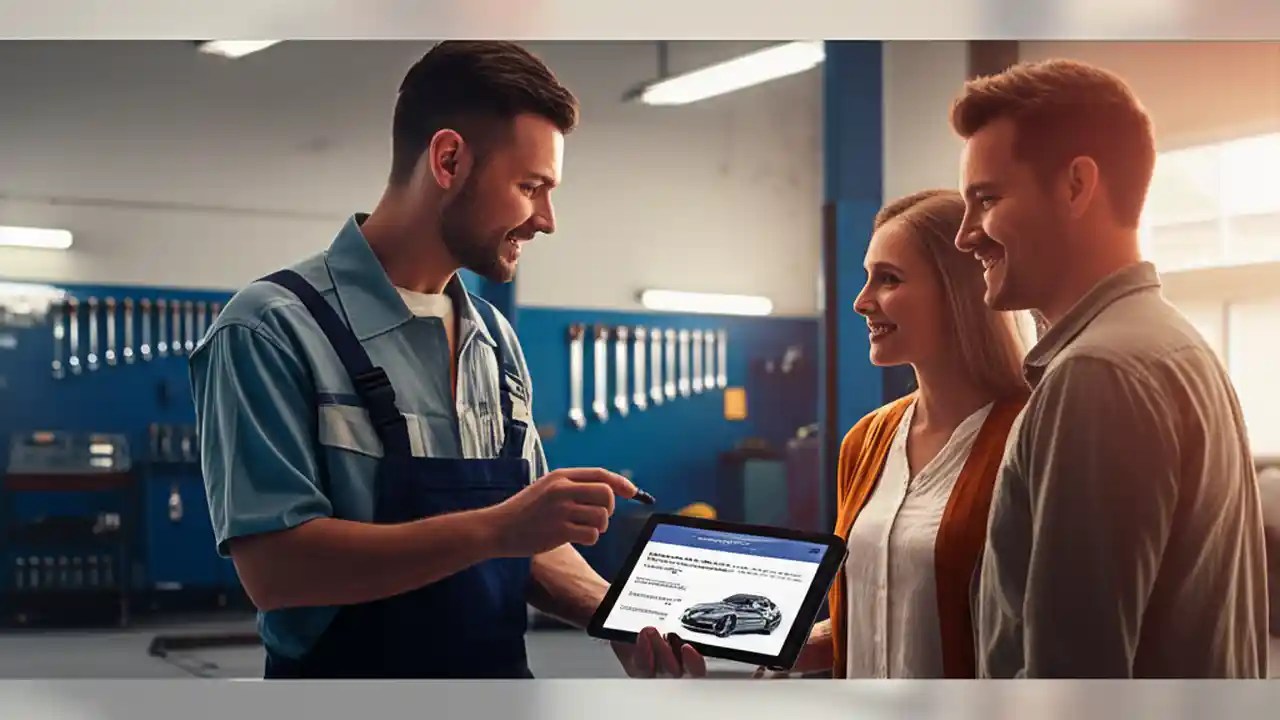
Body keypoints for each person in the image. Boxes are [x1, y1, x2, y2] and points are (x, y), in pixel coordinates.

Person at [189, 41, 705, 680]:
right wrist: (496, 528)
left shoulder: (495, 339)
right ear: (449, 159)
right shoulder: (271, 329)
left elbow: (528, 542)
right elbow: (276, 570)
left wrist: (617, 614)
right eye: (531, 187)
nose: (547, 220)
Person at [951, 58, 1270, 678]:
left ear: (1076, 185)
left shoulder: (1098, 375)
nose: (967, 236)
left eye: (986, 200)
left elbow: (1073, 684)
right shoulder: (1167, 343)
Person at [758, 189, 1032, 679]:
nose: (862, 302)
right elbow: (880, 609)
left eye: (889, 279)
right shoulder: (867, 440)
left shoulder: (1030, 435)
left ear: (959, 291)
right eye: (868, 279)